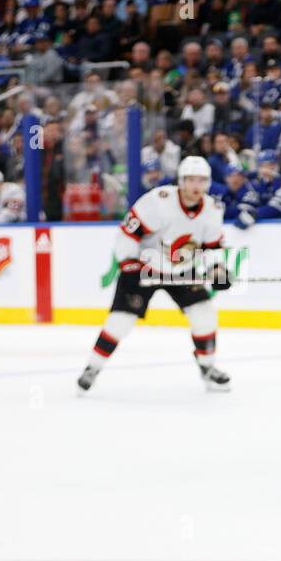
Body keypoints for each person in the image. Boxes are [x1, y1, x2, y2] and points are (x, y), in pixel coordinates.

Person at [76, 157, 233, 393]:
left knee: (204, 314)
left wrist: (217, 269)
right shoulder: (159, 201)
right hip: (143, 266)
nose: (196, 186)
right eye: (190, 180)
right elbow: (128, 233)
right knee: (120, 321)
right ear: (181, 181)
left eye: (201, 180)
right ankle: (93, 367)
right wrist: (128, 263)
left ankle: (207, 367)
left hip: (181, 270)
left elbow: (212, 247)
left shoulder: (212, 209)